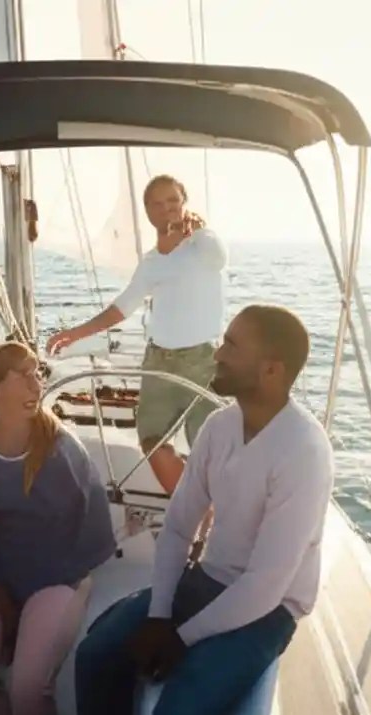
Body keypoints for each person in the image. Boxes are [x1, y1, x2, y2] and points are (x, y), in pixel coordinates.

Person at [73, 305, 334, 715]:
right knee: (95, 655)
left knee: (178, 709)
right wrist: (160, 616)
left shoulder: (304, 450)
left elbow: (265, 586)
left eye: (231, 345)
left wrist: (180, 638)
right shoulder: (218, 427)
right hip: (207, 581)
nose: (217, 354)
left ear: (271, 370)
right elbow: (178, 527)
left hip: (269, 611)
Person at [0, 341, 116, 715]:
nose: (36, 385)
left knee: (26, 689)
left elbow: (90, 531)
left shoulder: (63, 450)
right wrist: (8, 613)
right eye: (23, 376)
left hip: (60, 580)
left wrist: (25, 617)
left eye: (37, 374)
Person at [45, 174, 228, 496]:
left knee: (210, 449)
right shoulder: (152, 262)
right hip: (158, 360)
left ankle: (210, 521)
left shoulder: (203, 244)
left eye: (173, 200)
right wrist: (74, 334)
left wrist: (198, 229)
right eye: (158, 203)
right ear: (148, 211)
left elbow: (219, 259)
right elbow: (123, 307)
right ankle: (197, 508)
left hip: (202, 361)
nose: (167, 208)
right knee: (151, 440)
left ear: (184, 202)